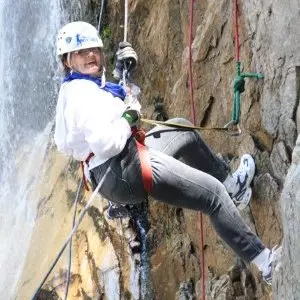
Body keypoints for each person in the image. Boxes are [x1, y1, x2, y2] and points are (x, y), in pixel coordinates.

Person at [54, 21, 281, 285]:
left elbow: (80, 131)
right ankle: (267, 264)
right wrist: (129, 119)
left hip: (115, 169)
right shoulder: (82, 95)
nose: (91, 55)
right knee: (213, 197)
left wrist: (121, 75)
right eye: (82, 52)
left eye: (94, 49)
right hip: (125, 168)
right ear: (68, 60)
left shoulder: (75, 88)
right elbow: (107, 143)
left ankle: (235, 188)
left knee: (182, 129)